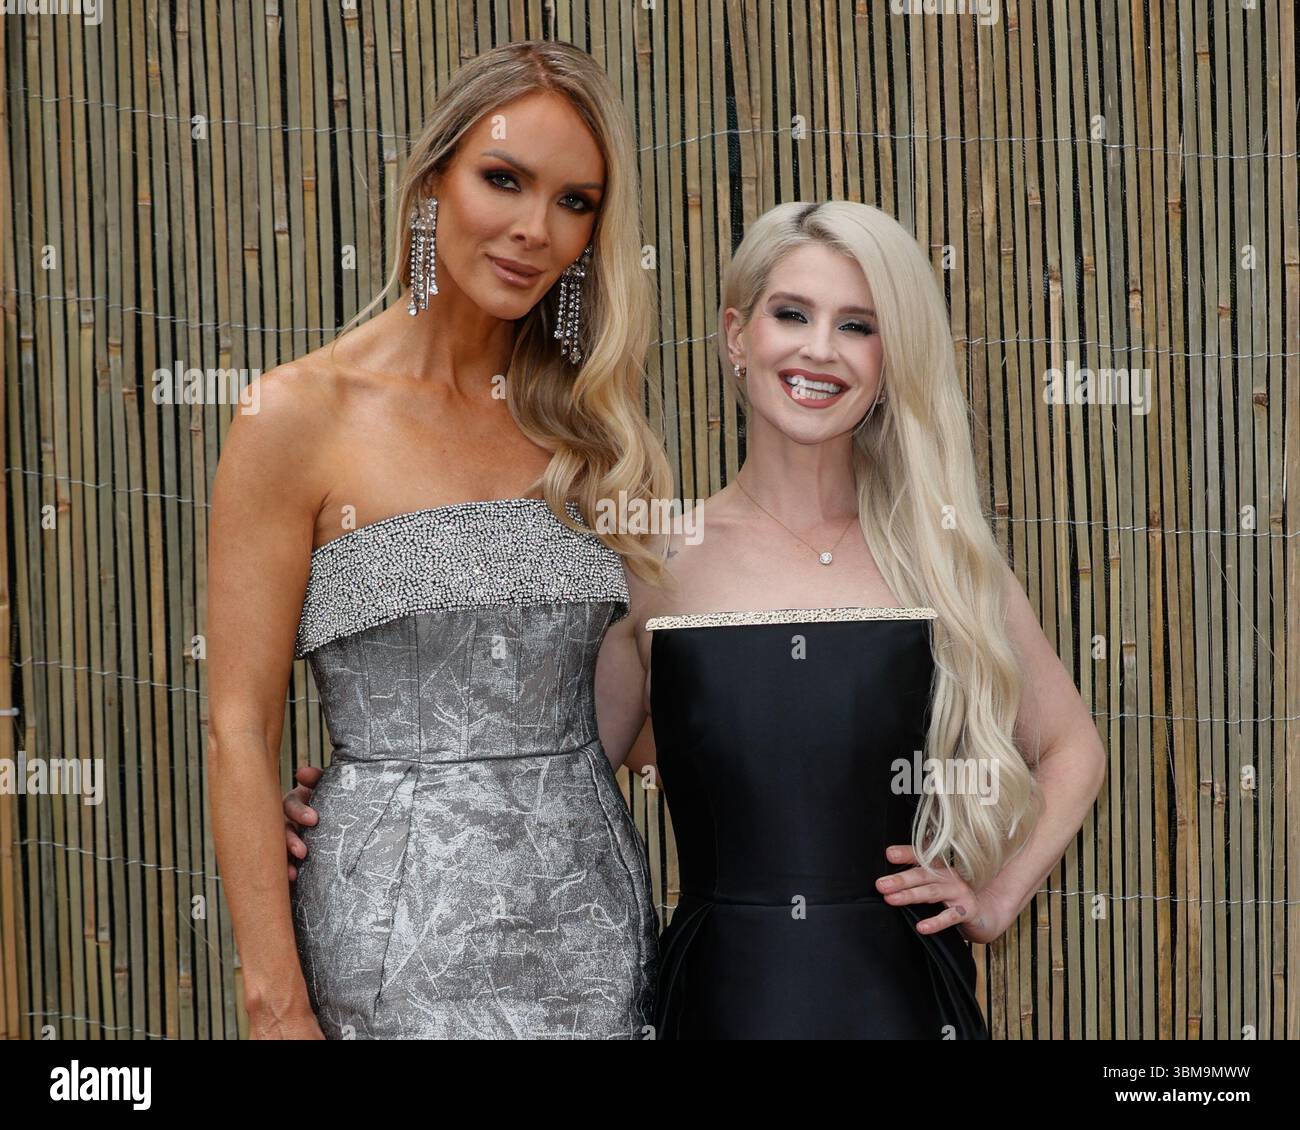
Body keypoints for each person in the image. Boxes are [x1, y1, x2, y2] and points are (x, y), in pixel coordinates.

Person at [286, 201, 1107, 1039]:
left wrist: (996, 900)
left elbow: (1073, 747)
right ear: (736, 337)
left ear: (890, 358)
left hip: (904, 1005)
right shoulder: (655, 561)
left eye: (857, 325)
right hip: (719, 1004)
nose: (819, 349)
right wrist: (376, 800)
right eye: (792, 314)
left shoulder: (947, 559)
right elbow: (548, 775)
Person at [208, 40, 673, 1039]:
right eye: (502, 180)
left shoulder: (592, 432)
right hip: (388, 948)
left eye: (574, 202)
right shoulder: (296, 415)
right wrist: (274, 1004)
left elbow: (638, 723)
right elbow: (238, 727)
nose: (532, 229)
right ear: (431, 183)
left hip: (592, 938)